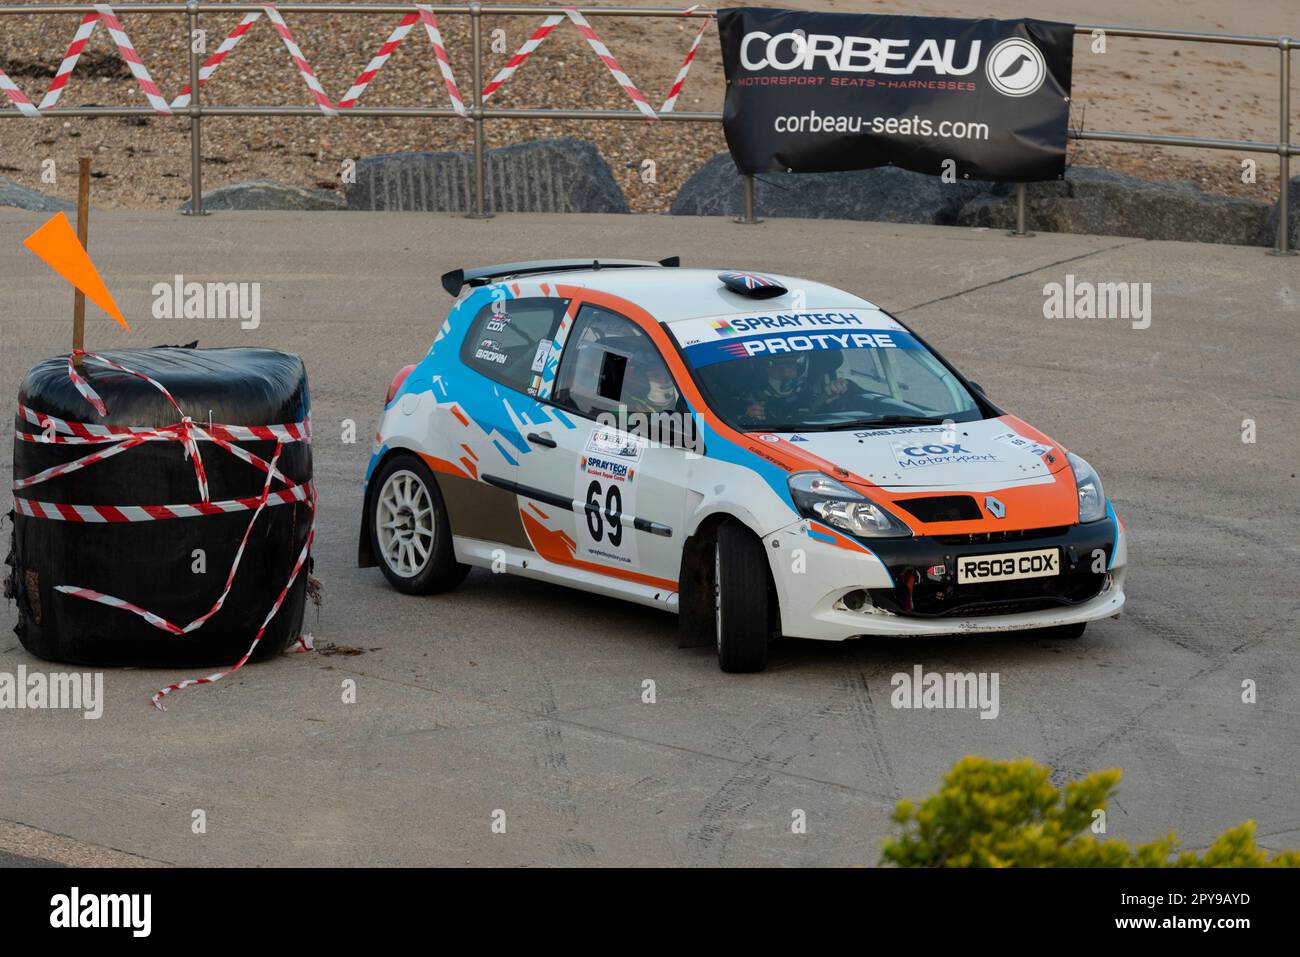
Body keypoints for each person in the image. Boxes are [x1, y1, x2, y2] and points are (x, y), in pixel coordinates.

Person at [741, 352, 850, 424]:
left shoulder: (819, 392)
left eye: (791, 365)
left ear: (802, 366)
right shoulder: (742, 402)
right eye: (777, 367)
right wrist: (748, 419)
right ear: (762, 370)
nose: (785, 373)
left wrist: (839, 392)